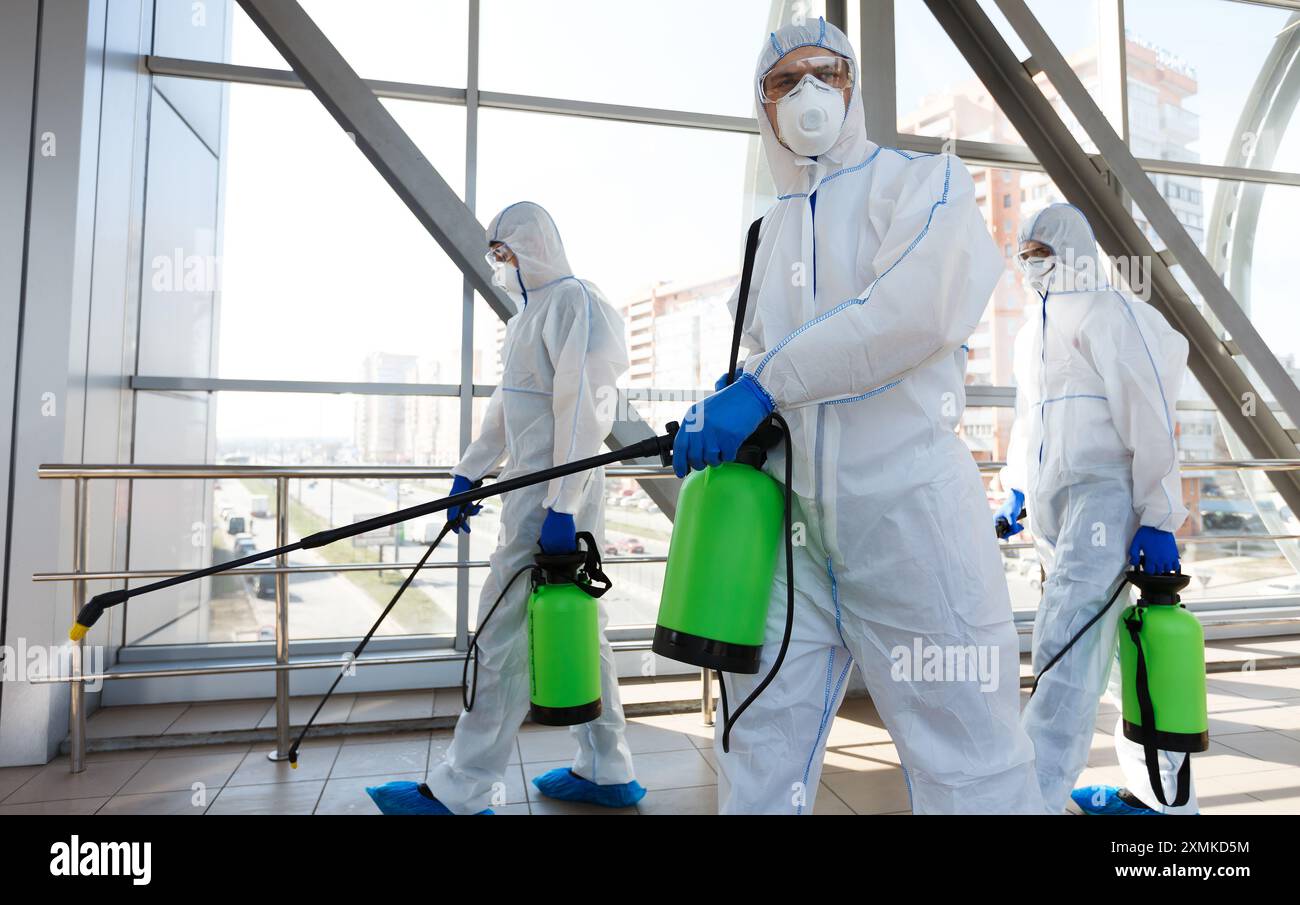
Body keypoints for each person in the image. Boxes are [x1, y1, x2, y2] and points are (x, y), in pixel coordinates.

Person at [673, 18, 1043, 815]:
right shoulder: (767, 234)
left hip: (911, 522)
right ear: (764, 108)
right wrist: (733, 402)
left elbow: (912, 314)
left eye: (826, 73)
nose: (808, 91)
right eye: (785, 81)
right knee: (757, 744)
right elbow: (762, 363)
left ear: (853, 86)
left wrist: (764, 384)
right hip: (791, 535)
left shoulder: (922, 182)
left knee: (972, 760)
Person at [367, 201, 644, 814]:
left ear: (535, 244)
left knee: (501, 635)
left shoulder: (577, 302)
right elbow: (507, 406)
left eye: (508, 251)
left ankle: (460, 791)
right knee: (577, 625)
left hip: (553, 494)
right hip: (530, 491)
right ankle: (606, 767)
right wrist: (469, 472)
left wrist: (562, 504)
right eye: (496, 255)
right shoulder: (529, 316)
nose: (502, 264)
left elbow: (586, 409)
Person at [996, 202, 1195, 815]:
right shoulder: (1034, 332)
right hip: (1060, 509)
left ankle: (1033, 796)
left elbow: (1147, 412)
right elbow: (1032, 421)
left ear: (1074, 252)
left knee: (1066, 641)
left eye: (1042, 256)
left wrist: (1160, 514)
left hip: (1105, 498)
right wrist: (1019, 488)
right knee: (1108, 656)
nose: (1032, 268)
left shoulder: (1108, 314)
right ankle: (1157, 796)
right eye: (1025, 257)